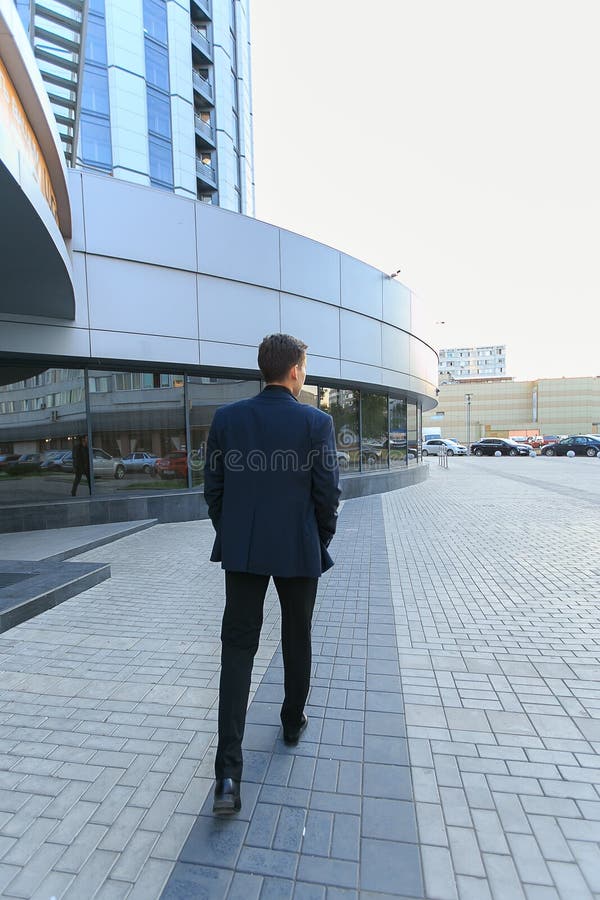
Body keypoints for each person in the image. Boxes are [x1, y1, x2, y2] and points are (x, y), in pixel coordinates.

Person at [204, 333, 341, 815]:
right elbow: (327, 494)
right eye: (305, 367)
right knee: (296, 635)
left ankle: (227, 776)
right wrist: (320, 538)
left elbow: (213, 489)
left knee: (238, 649)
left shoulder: (227, 419)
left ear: (264, 369)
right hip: (298, 548)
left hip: (244, 551)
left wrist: (235, 531)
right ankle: (290, 721)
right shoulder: (316, 422)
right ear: (296, 371)